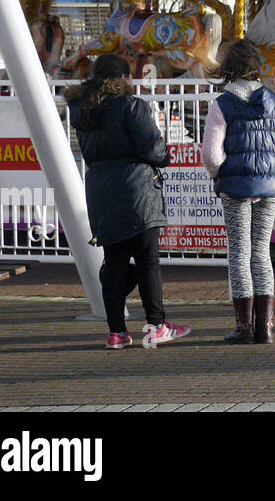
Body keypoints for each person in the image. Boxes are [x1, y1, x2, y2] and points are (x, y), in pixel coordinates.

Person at [64, 54, 192, 349]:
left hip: (101, 190)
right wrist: (163, 154)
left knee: (114, 262)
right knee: (147, 260)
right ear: (121, 78)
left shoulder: (81, 109)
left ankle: (116, 333)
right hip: (136, 191)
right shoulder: (132, 106)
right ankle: (157, 325)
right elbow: (154, 151)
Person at [202, 39, 275, 345]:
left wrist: (221, 172)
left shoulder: (221, 104)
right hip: (268, 188)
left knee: (239, 253)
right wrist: (274, 172)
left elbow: (211, 154)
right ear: (257, 67)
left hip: (235, 189)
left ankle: (243, 327)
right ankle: (266, 328)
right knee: (261, 252)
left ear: (227, 70)